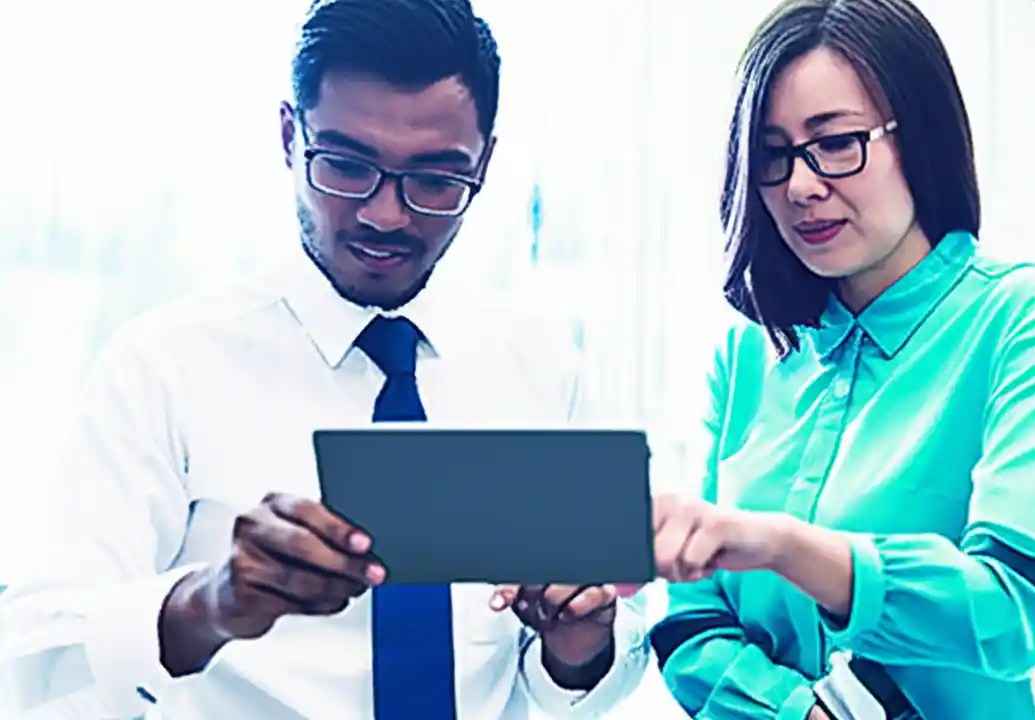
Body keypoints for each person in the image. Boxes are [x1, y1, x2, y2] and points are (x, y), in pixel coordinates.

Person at [0, 1, 650, 718]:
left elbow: (590, 675)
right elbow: (38, 663)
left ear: (484, 163)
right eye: (345, 165)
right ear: (290, 136)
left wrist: (580, 645)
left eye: (435, 179)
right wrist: (205, 604)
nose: (385, 215)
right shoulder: (163, 365)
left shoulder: (545, 369)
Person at [645, 1, 1035, 718]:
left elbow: (1010, 612)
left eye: (836, 143)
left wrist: (783, 546)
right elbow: (688, 625)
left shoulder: (1030, 315)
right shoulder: (745, 354)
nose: (800, 187)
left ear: (917, 135)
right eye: (772, 155)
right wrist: (800, 713)